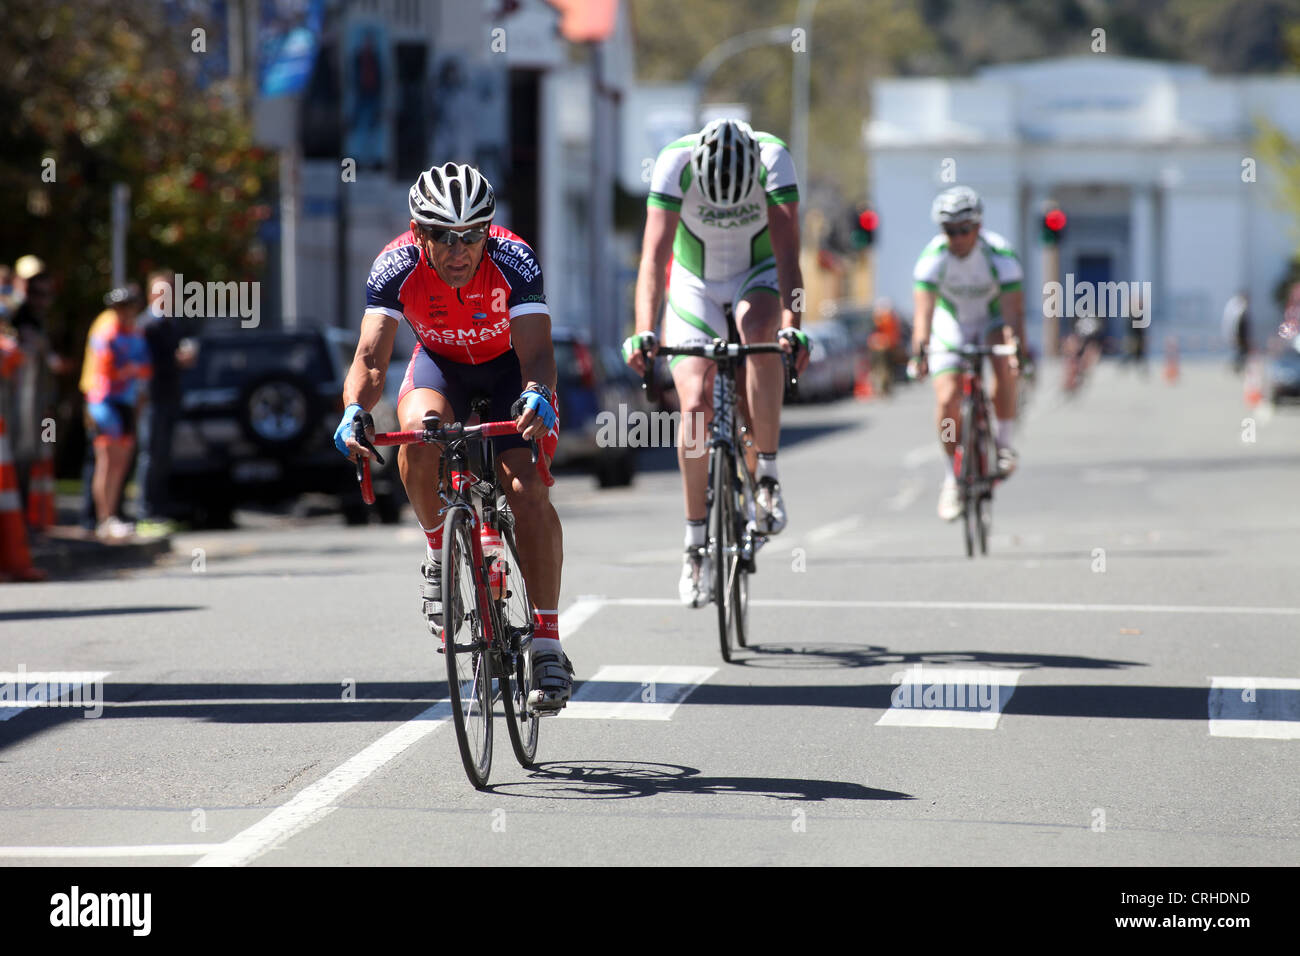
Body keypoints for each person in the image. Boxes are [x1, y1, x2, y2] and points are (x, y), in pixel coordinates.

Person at [333, 162, 573, 712]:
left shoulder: (515, 259)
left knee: (523, 487)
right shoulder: (394, 266)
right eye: (443, 235)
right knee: (417, 437)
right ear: (419, 233)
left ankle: (546, 641)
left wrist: (537, 393)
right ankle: (439, 548)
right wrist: (352, 411)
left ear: (488, 230)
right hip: (441, 368)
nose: (458, 249)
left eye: (470, 235)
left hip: (510, 370)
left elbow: (537, 353)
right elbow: (371, 360)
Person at [623, 118, 810, 608]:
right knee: (694, 406)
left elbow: (790, 259)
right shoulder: (673, 164)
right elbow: (652, 259)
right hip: (695, 284)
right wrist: (644, 330)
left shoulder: (775, 159)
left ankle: (765, 473)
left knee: (760, 335)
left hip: (758, 273)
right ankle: (695, 546)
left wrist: (793, 324)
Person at [909, 186, 1024, 521]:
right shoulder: (933, 258)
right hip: (953, 319)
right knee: (947, 400)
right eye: (949, 231)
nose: (956, 238)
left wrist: (1017, 349)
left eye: (963, 230)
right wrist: (919, 353)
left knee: (1004, 359)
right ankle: (952, 476)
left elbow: (1013, 314)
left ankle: (1003, 445)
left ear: (978, 226)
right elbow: (923, 315)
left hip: (991, 316)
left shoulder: (1000, 255)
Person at [82, 284, 151, 539]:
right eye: (120, 308)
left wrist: (131, 371)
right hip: (104, 401)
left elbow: (146, 367)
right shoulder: (106, 331)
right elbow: (107, 369)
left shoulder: (136, 333)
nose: (124, 313)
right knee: (106, 461)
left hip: (126, 401)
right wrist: (130, 370)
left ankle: (113, 515)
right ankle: (104, 518)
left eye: (128, 308)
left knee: (122, 463)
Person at [134, 270, 194, 535]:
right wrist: (176, 361)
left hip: (169, 396)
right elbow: (145, 364)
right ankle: (144, 511)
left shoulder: (174, 324)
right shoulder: (145, 325)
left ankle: (159, 510)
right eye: (161, 292)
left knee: (163, 456)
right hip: (151, 399)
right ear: (151, 294)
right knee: (150, 455)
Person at [1222, 291, 1250, 374]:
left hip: (1241, 336)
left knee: (1240, 353)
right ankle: (1236, 367)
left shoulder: (1238, 307)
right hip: (1239, 336)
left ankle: (1237, 367)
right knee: (1239, 353)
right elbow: (1234, 324)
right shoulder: (1237, 308)